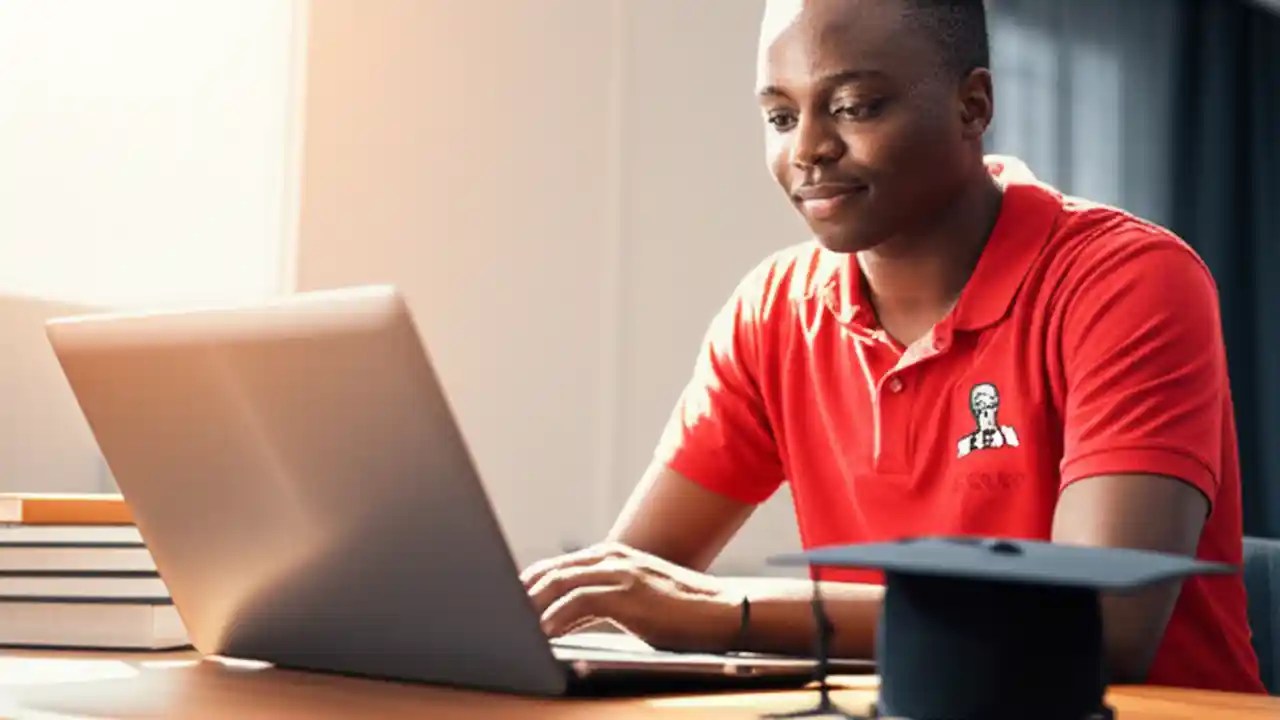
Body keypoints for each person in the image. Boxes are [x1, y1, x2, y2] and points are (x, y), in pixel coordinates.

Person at [521, 0, 1265, 694]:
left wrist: (727, 610)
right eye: (780, 116)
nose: (808, 148)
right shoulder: (774, 311)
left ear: (973, 106)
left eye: (854, 107)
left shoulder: (1127, 282)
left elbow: (1101, 622)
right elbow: (633, 585)